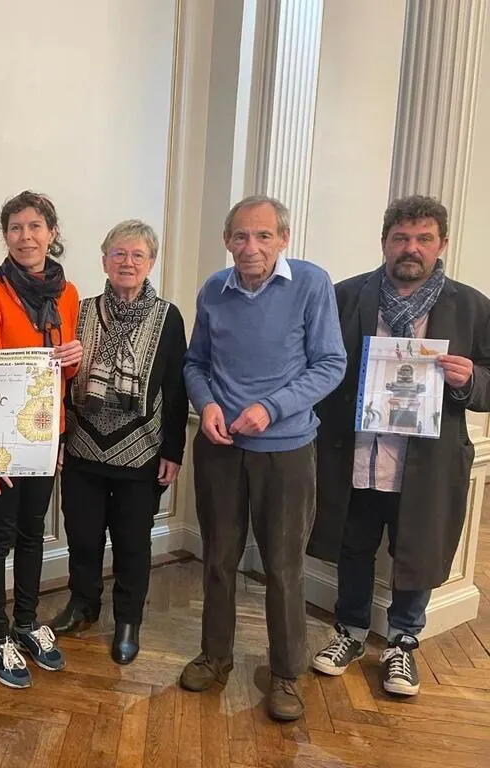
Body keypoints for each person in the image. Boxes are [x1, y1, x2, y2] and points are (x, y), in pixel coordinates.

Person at [309, 195, 490, 697]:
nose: (411, 248)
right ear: (384, 242)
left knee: (419, 549)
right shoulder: (346, 297)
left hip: (427, 462)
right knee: (353, 546)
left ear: (443, 244)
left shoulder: (472, 306)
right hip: (356, 453)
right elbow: (319, 365)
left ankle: (403, 644)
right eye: (401, 238)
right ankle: (349, 630)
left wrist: (471, 378)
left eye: (423, 238)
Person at [180, 195, 346, 722]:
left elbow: (330, 364)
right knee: (218, 560)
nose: (251, 247)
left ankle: (286, 675)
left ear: (284, 239)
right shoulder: (213, 290)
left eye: (263, 236)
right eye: (240, 237)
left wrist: (270, 409)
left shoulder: (312, 284)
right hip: (221, 450)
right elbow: (194, 362)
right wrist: (205, 403)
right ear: (227, 240)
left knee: (283, 567)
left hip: (287, 450)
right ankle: (215, 655)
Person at [49, 219, 188, 665]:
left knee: (133, 542)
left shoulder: (168, 316)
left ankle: (128, 619)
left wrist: (173, 451)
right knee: (83, 537)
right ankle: (83, 604)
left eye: (137, 255)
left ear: (151, 262)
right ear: (104, 259)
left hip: (142, 453)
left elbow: (176, 386)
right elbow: (60, 375)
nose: (127, 263)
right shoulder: (80, 310)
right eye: (119, 254)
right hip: (83, 449)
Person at [0, 190, 83, 689]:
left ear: (51, 234)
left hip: (47, 430)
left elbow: (66, 372)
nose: (26, 236)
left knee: (33, 531)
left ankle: (26, 623)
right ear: (5, 235)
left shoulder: (69, 292)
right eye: (16, 228)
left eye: (35, 226)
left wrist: (73, 356)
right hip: (2, 433)